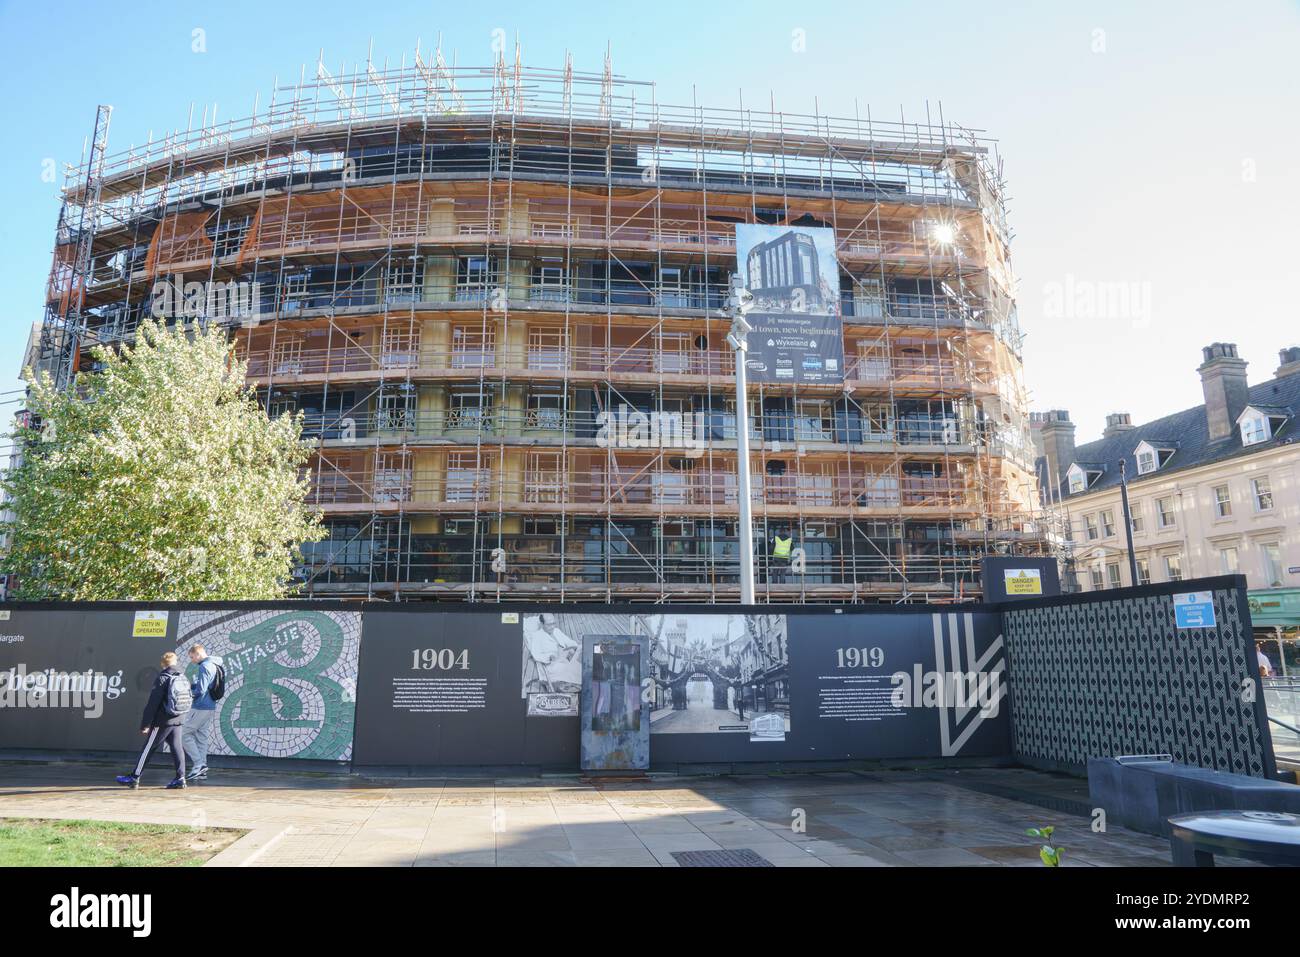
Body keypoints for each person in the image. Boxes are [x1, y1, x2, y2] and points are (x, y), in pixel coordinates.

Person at [116, 652, 189, 790]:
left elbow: (153, 703)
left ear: (163, 664)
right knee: (177, 747)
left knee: (148, 748)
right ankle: (180, 778)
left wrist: (145, 724)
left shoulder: (163, 677)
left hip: (163, 720)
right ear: (175, 661)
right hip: (178, 717)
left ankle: (134, 777)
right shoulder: (183, 676)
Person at [183, 644, 223, 782]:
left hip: (200, 706)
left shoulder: (204, 666)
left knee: (183, 734)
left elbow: (201, 690)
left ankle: (198, 765)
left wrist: (188, 693)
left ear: (198, 654)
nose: (192, 660)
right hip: (210, 706)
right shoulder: (215, 664)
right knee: (201, 737)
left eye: (192, 657)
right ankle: (202, 769)